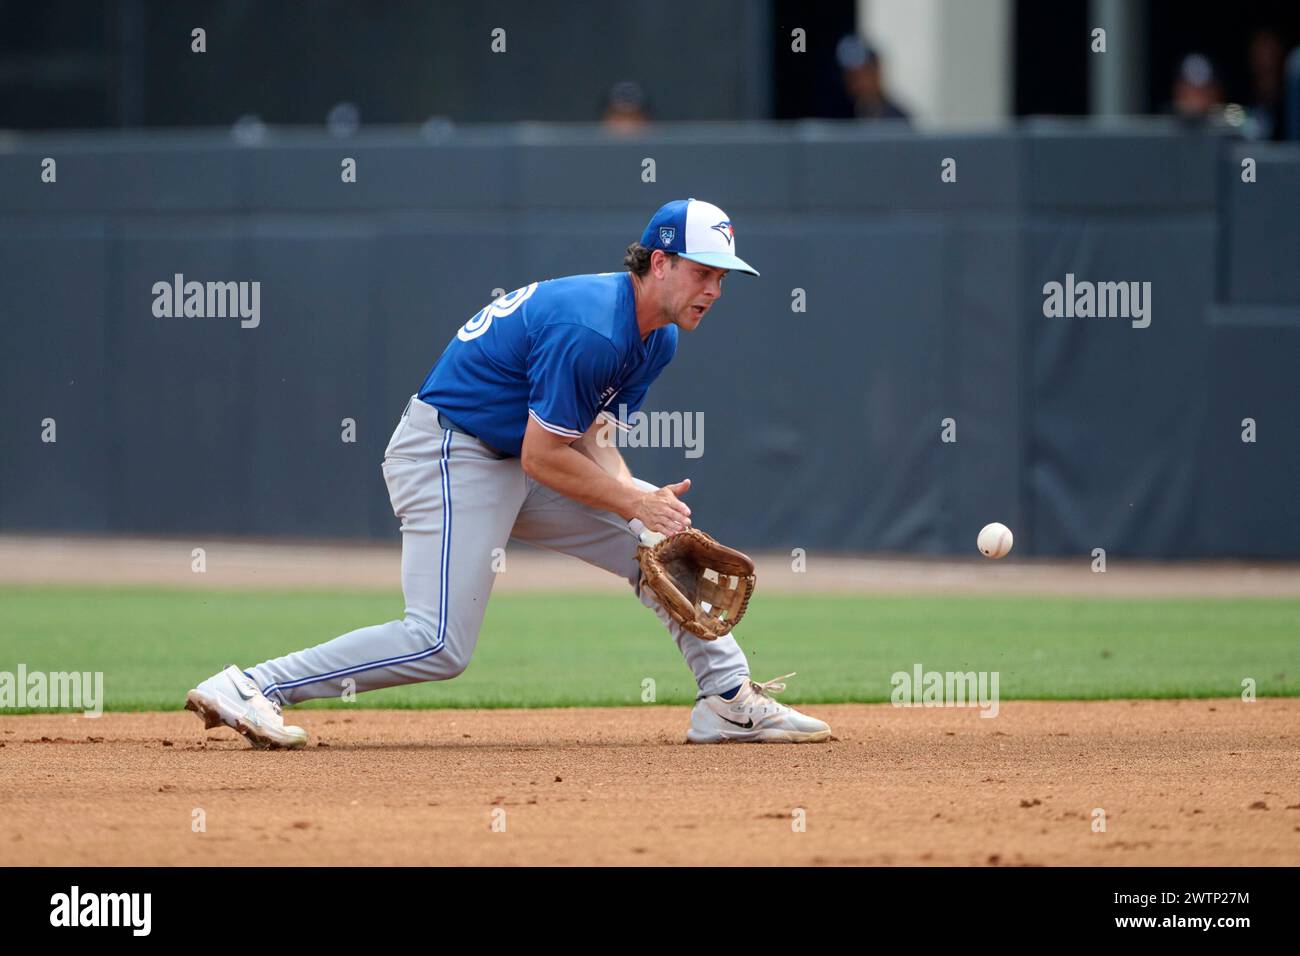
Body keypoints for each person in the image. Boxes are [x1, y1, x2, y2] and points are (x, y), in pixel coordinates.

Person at [185, 199, 833, 749]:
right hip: (448, 452)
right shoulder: (593, 328)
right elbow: (542, 457)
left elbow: (590, 436)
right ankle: (254, 685)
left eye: (723, 277)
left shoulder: (656, 336)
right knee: (439, 643)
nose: (714, 290)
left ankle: (725, 697)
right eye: (703, 272)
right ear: (659, 263)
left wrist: (638, 498)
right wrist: (633, 504)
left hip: (509, 457)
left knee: (656, 545)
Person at [836, 35, 909, 122]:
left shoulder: (897, 119)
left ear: (876, 72)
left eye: (863, 74)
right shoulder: (841, 116)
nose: (858, 82)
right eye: (852, 76)